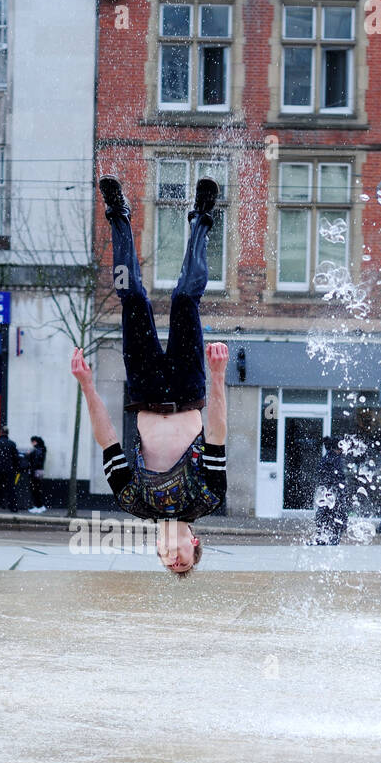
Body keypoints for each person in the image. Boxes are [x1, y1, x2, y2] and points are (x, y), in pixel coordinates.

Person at [71, 175, 227, 576]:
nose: (172, 560)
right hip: (190, 389)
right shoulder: (209, 498)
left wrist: (88, 386)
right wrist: (218, 377)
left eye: (165, 562)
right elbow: (217, 436)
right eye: (183, 562)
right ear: (194, 543)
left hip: (143, 391)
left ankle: (118, 215)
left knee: (132, 296)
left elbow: (108, 440)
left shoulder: (133, 502)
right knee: (183, 298)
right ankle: (203, 217)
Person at [312, 437, 349, 544]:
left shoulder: (326, 457)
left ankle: (322, 537)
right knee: (337, 517)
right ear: (338, 447)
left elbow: (321, 475)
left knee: (324, 516)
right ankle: (332, 539)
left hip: (327, 492)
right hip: (334, 493)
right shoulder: (335, 459)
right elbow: (338, 477)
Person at [27, 435, 47, 513]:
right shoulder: (42, 449)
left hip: (35, 472)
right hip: (40, 471)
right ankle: (40, 506)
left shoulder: (37, 450)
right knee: (37, 489)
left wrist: (29, 455)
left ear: (35, 442)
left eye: (32, 442)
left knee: (35, 490)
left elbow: (35, 461)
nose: (32, 443)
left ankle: (38, 506)